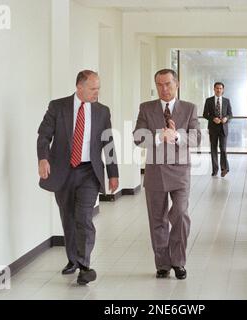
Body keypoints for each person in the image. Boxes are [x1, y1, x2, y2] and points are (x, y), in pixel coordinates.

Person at [37, 70, 119, 285]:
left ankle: (84, 265)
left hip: (89, 172)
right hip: (63, 171)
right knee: (68, 217)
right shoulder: (58, 106)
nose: (97, 92)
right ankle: (72, 260)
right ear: (79, 87)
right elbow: (44, 135)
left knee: (83, 217)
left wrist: (113, 174)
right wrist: (43, 158)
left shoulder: (102, 111)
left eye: (98, 88)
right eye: (93, 88)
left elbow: (108, 144)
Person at [133, 69, 201, 280]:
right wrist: (158, 136)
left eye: (168, 84)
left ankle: (178, 261)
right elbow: (137, 137)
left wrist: (177, 136)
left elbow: (197, 138)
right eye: (160, 85)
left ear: (177, 84)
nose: (164, 89)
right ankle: (162, 264)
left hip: (180, 172)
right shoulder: (146, 108)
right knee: (157, 219)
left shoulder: (189, 108)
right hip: (155, 172)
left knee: (180, 214)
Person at [203, 82, 233, 177]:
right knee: (213, 149)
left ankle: (224, 169)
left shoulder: (226, 101)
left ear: (223, 90)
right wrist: (212, 118)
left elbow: (230, 114)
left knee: (223, 149)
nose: (218, 90)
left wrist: (226, 118)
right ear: (214, 89)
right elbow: (205, 114)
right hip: (213, 128)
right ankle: (215, 170)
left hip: (223, 128)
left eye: (220, 88)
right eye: (217, 88)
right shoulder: (209, 101)